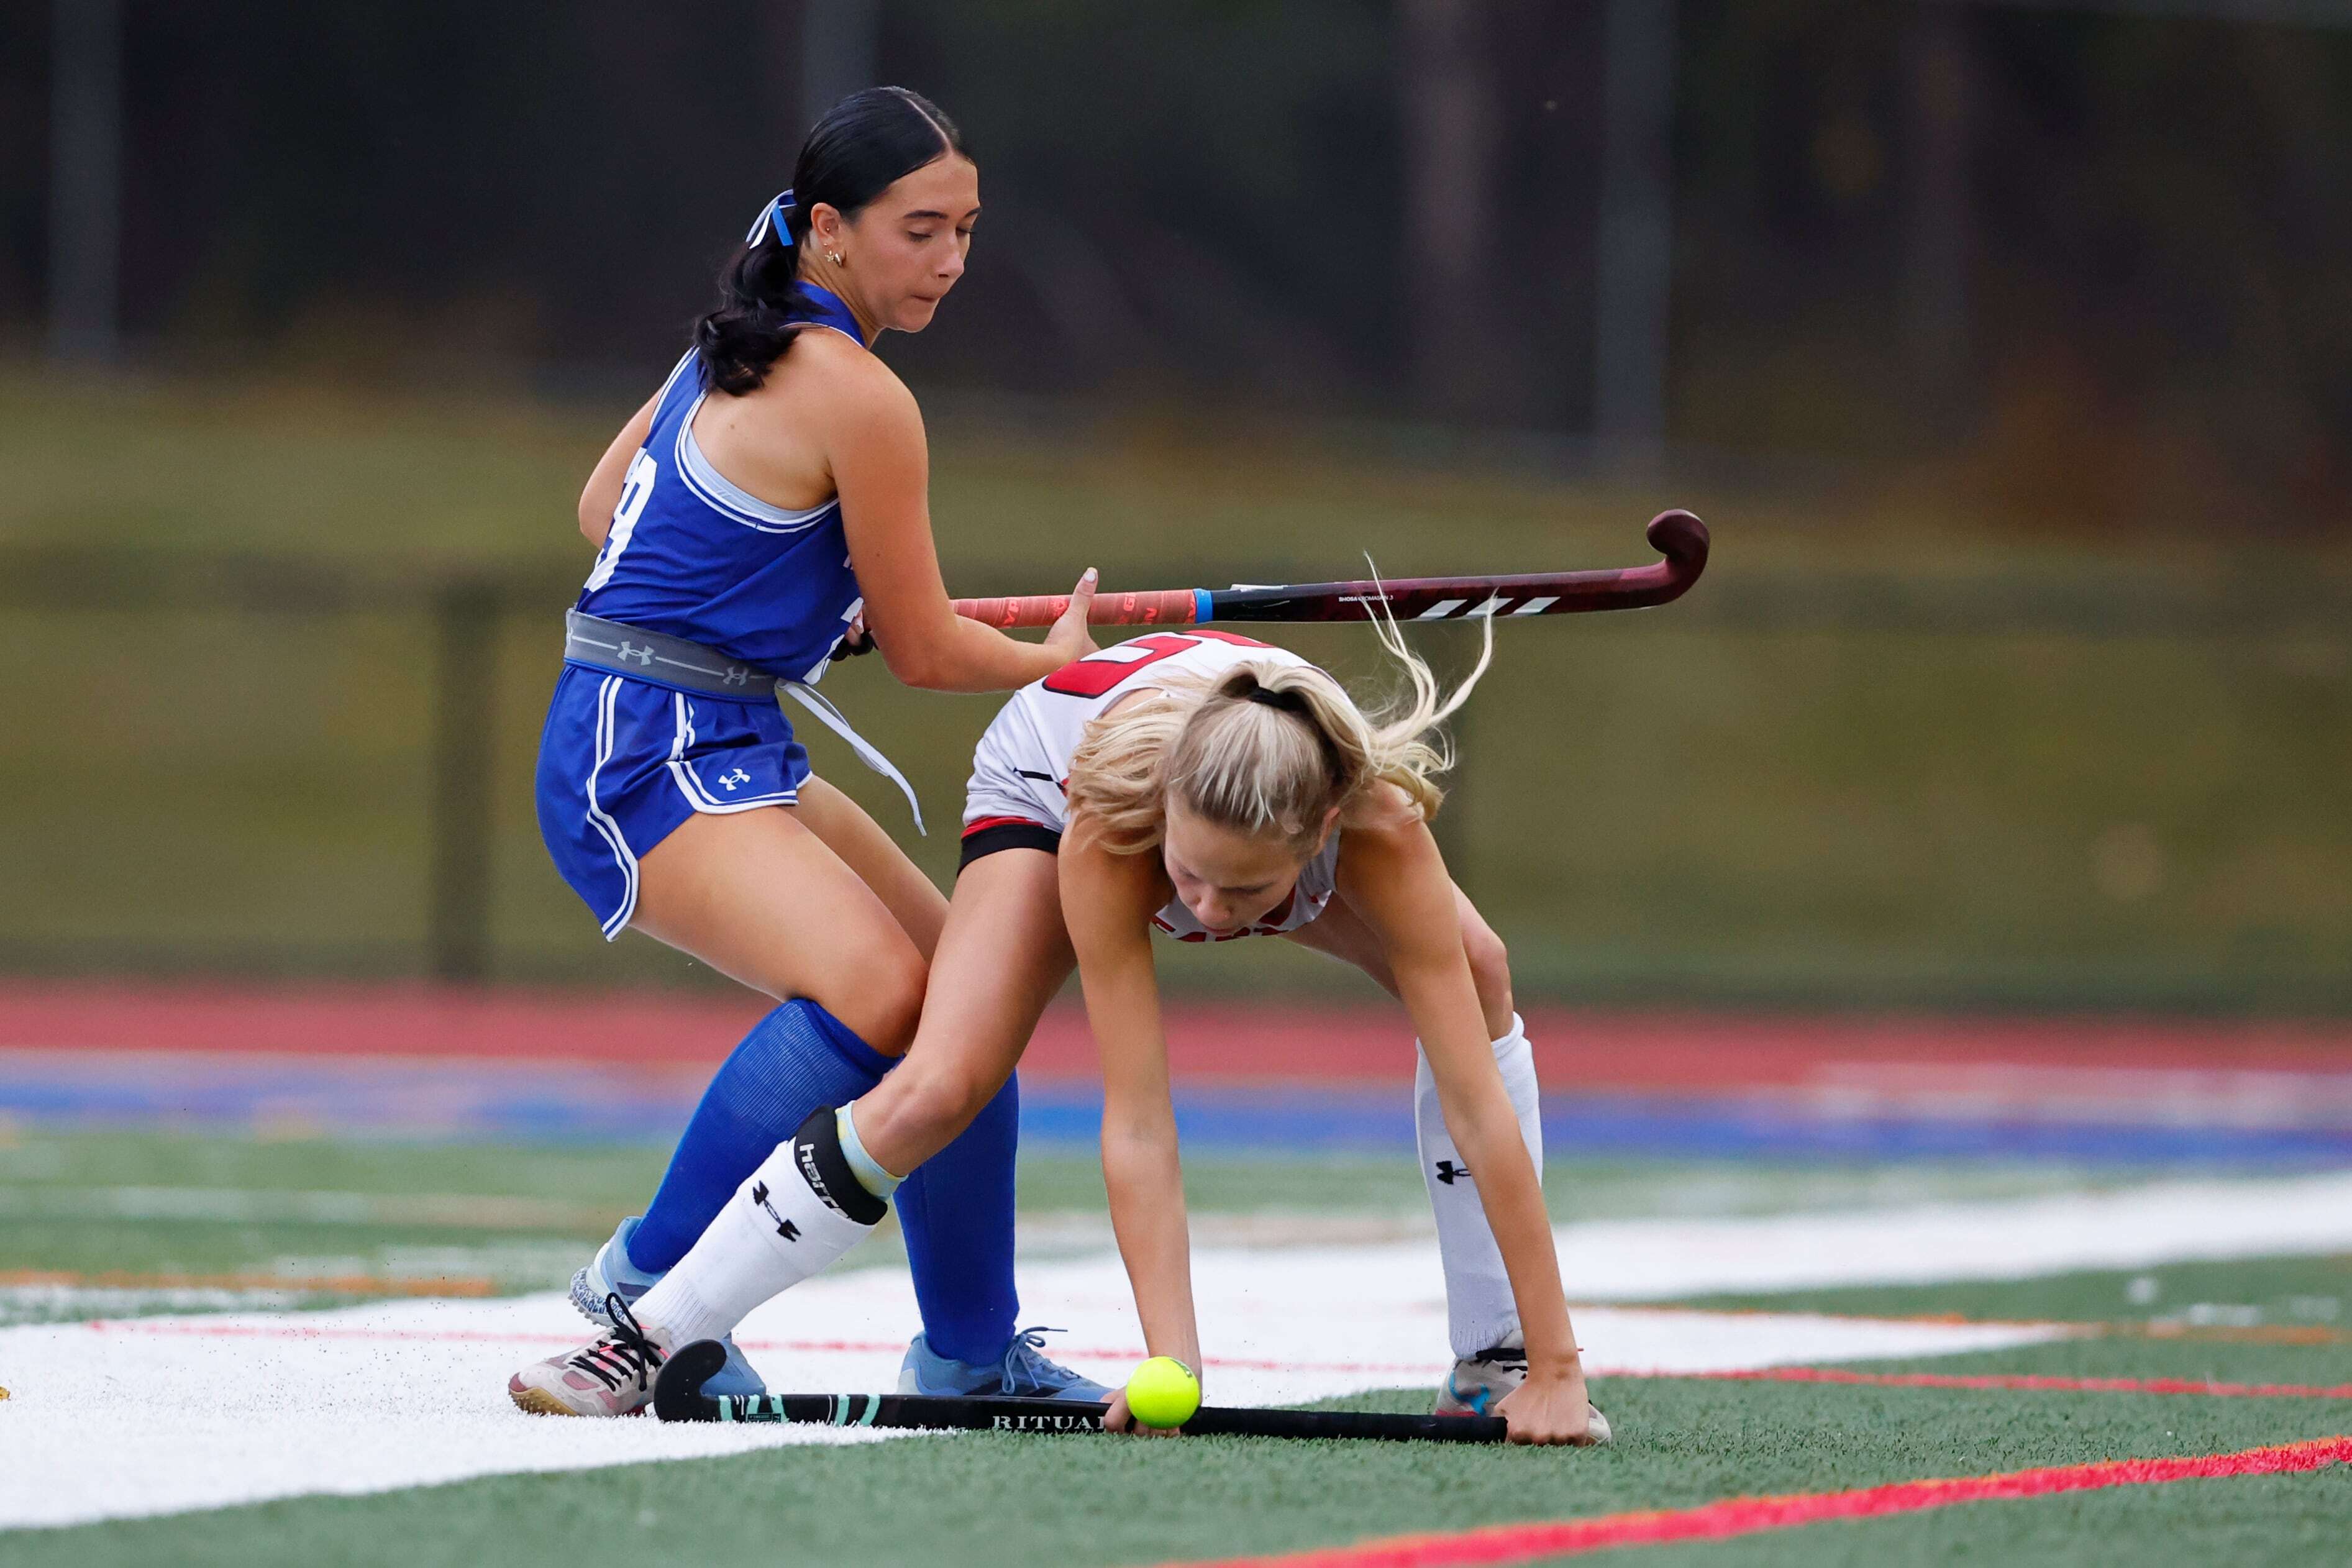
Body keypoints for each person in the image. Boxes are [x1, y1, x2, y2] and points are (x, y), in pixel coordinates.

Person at [515, 613, 1608, 1446]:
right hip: (1052, 775)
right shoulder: (1114, 824)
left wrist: (1554, 1367)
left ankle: (1491, 1357)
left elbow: (1477, 1103)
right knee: (946, 1076)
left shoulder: (1377, 831)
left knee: (1476, 971)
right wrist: (1172, 1362)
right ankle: (647, 1333)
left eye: (1246, 895)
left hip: (1231, 795)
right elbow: (1139, 1122)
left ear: (1323, 834)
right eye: (1191, 883)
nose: (1212, 917)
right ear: (1166, 824)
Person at [516, 86, 1108, 1417]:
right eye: (920, 230)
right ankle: (641, 1288)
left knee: (970, 1001)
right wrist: (1060, 659)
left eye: (966, 229)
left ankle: (968, 1354)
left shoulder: (743, 336)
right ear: (831, 232)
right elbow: (928, 651)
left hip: (717, 728)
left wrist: (780, 590)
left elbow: (605, 504)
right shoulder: (860, 393)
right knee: (883, 999)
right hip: (644, 746)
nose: (950, 259)